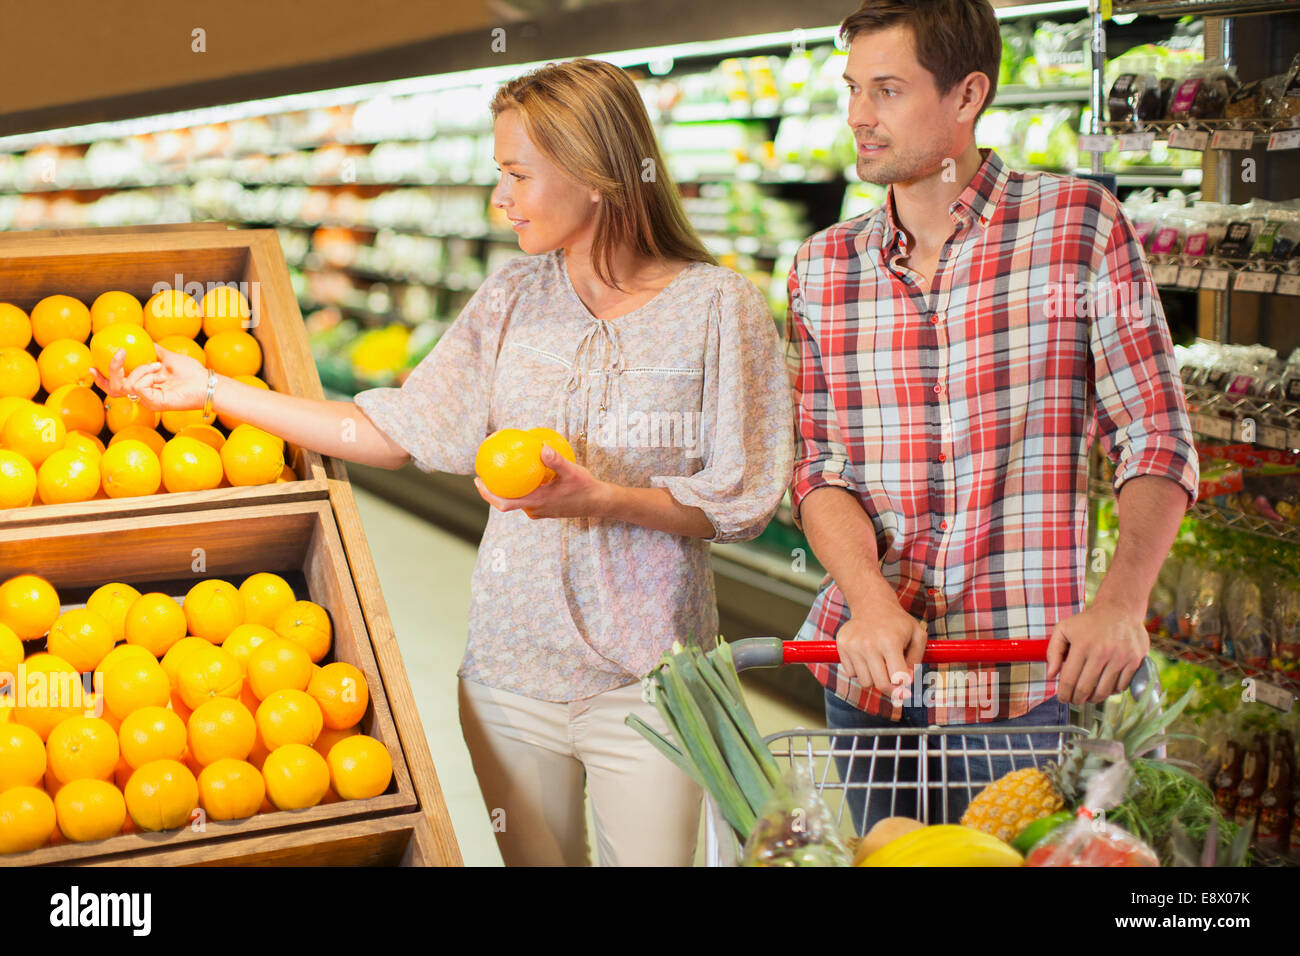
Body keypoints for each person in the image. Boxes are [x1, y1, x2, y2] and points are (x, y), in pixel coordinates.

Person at [95, 58, 794, 866]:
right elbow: (390, 431)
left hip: (653, 681)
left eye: (516, 175)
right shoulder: (509, 298)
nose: (500, 198)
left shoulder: (717, 307)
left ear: (597, 172)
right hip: (509, 675)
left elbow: (738, 502)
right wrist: (211, 386)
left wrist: (606, 498)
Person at [785, 0, 1198, 833]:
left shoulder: (1078, 228)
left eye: (890, 90)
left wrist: (1122, 603)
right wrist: (867, 600)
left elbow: (1153, 433)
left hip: (1022, 685)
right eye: (853, 89)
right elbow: (819, 468)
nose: (860, 117)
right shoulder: (825, 266)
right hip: (871, 685)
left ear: (967, 94)